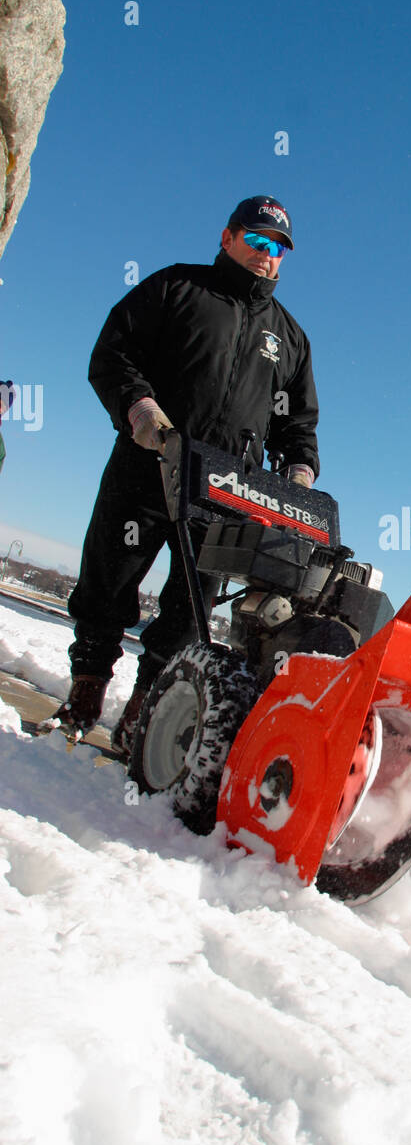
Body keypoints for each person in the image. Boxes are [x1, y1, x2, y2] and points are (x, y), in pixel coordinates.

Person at [50, 195, 320, 752]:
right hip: (147, 466)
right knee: (108, 583)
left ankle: (140, 722)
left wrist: (299, 469)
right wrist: (140, 409)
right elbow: (113, 353)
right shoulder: (176, 288)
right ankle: (82, 698)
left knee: (187, 612)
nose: (266, 255)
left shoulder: (290, 338)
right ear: (228, 238)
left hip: (225, 492)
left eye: (278, 249)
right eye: (257, 240)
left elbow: (298, 420)